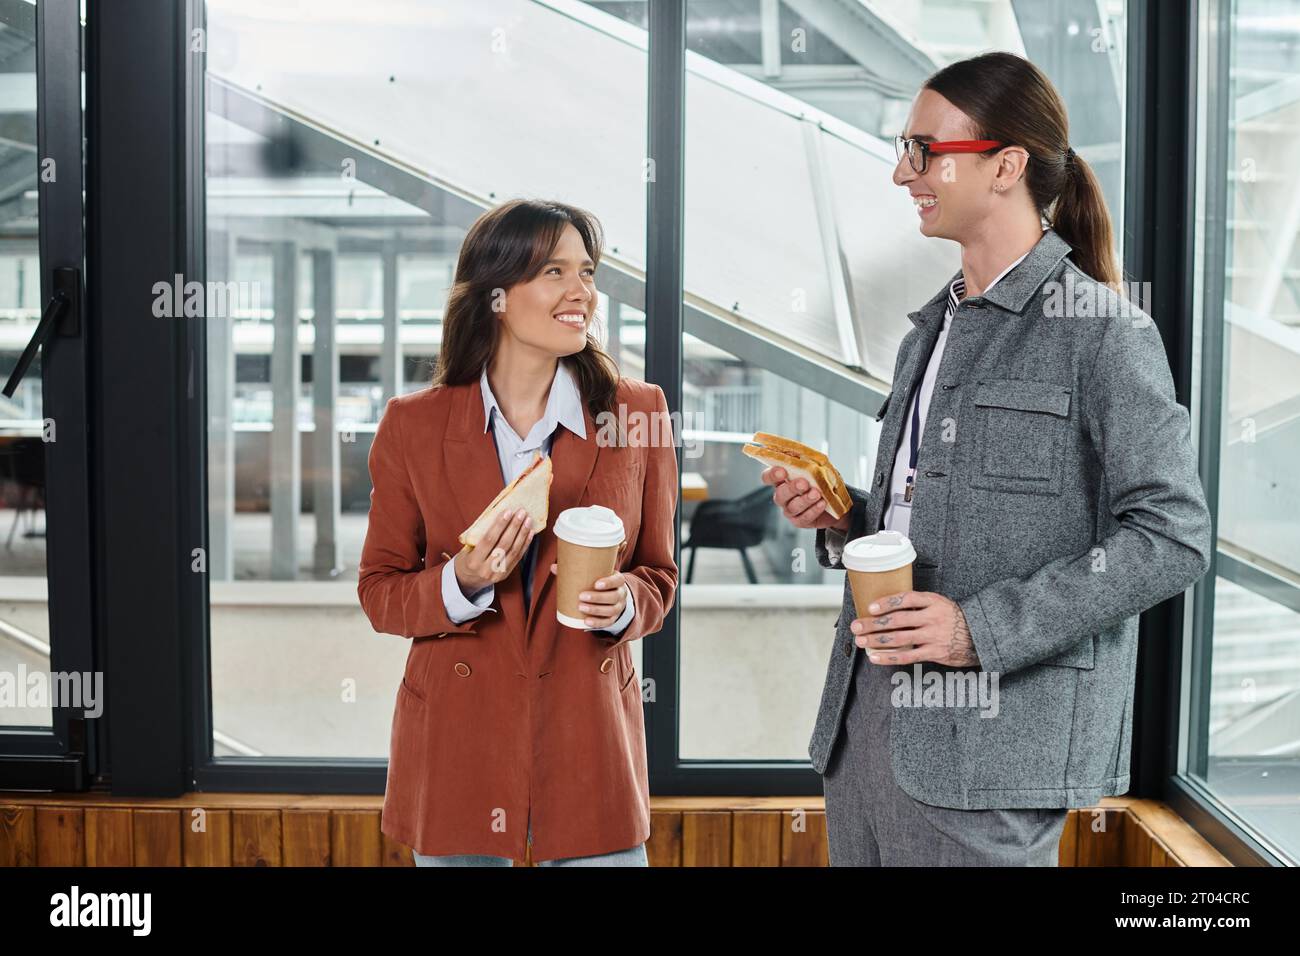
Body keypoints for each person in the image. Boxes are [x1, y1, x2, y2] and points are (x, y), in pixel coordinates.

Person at [762, 51, 1212, 866]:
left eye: (925, 150)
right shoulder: (927, 332)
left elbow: (1172, 538)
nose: (905, 173)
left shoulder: (1106, 334)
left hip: (993, 758)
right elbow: (928, 513)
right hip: (864, 732)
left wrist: (981, 629)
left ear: (1007, 166)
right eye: (905, 148)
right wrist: (845, 520)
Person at [357, 199, 679, 866]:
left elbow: (659, 574)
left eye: (587, 272)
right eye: (554, 272)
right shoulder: (412, 424)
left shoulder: (637, 411)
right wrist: (461, 581)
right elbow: (380, 591)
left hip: (589, 735)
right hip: (456, 738)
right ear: (497, 295)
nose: (580, 292)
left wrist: (624, 605)